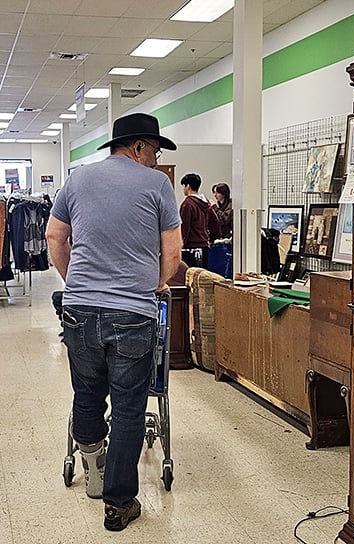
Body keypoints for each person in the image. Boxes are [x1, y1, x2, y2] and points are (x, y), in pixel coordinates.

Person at [46, 112, 182, 531]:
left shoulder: (78, 179)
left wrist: (77, 284)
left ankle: (92, 462)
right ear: (138, 147)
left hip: (80, 311)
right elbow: (173, 253)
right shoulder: (158, 185)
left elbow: (54, 237)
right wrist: (154, 284)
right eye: (155, 152)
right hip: (132, 315)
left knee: (87, 393)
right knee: (128, 408)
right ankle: (119, 504)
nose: (157, 161)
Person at [179, 173, 220, 268]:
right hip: (204, 246)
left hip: (190, 248)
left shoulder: (187, 204)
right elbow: (215, 222)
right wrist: (212, 238)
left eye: (183, 186)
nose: (183, 189)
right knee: (202, 277)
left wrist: (181, 244)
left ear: (188, 186)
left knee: (190, 277)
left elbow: (185, 227)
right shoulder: (206, 203)